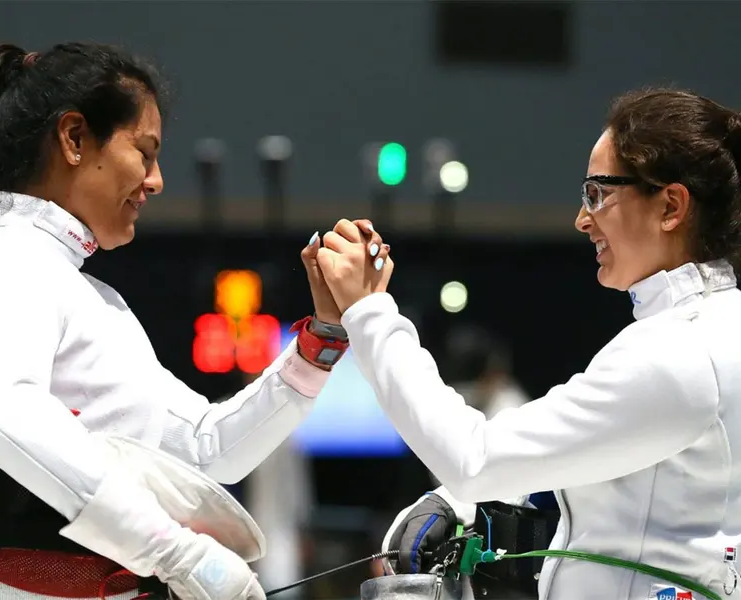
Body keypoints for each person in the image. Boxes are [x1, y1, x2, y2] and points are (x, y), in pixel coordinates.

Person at [0, 42, 389, 600]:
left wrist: (323, 338)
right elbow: (7, 412)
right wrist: (172, 551)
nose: (155, 181)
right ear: (75, 139)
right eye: (145, 152)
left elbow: (206, 448)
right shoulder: (6, 260)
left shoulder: (88, 293)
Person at [314, 88, 741, 600]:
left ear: (670, 205)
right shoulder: (712, 329)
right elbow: (589, 459)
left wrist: (368, 312)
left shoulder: (681, 352)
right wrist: (461, 504)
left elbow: (475, 459)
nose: (583, 220)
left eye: (597, 193)